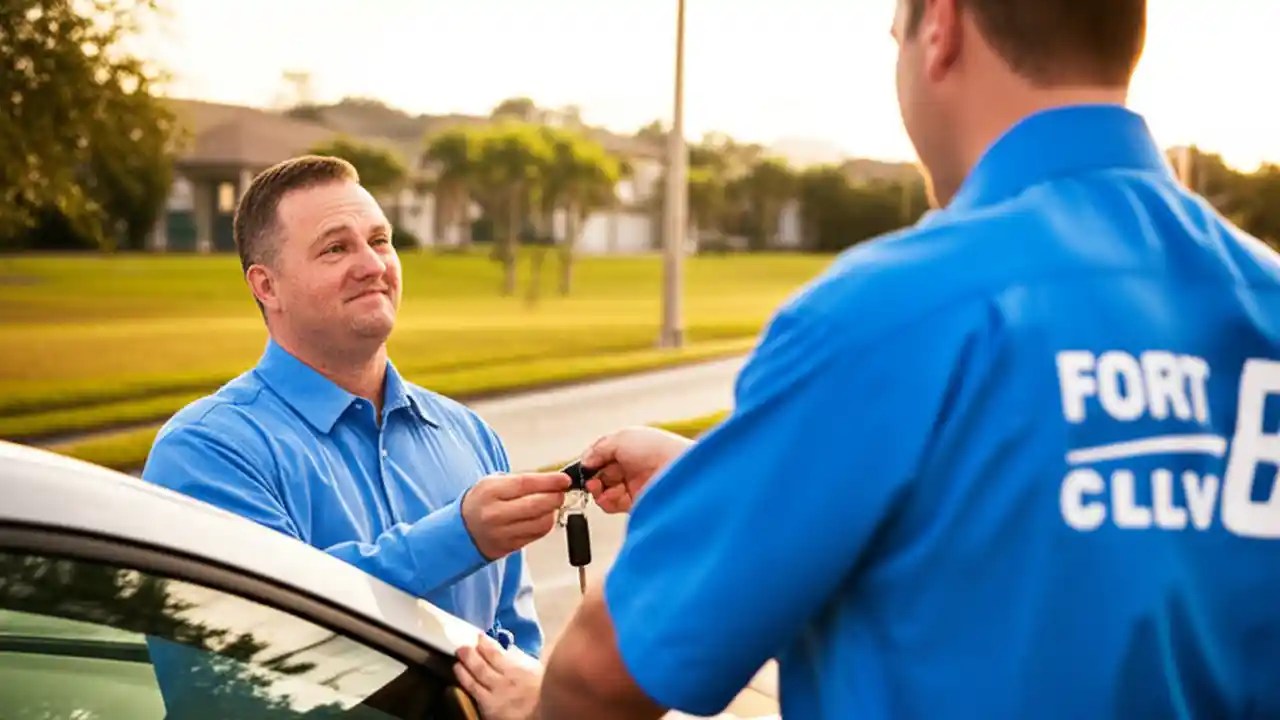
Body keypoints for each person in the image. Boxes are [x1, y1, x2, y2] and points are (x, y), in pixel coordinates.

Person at [460, 0, 1280, 718]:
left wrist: (540, 709)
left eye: (896, 35)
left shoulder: (899, 306)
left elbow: (611, 669)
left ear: (941, 27)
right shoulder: (1263, 300)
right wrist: (710, 479)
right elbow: (1024, 547)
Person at [141, 156, 569, 665]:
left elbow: (516, 644)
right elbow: (268, 633)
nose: (372, 265)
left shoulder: (471, 436)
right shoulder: (205, 451)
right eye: (336, 248)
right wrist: (459, 537)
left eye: (380, 240)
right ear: (266, 286)